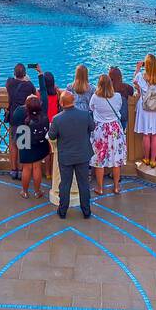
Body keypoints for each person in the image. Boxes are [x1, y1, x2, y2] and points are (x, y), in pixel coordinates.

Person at [48, 90, 95, 219]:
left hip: (66, 157)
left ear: (61, 103)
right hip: (82, 155)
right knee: (83, 184)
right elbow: (92, 127)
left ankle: (62, 211)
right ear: (73, 101)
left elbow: (51, 135)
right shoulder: (85, 115)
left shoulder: (57, 119)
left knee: (65, 184)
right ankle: (86, 211)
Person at [89, 72, 127, 195]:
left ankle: (100, 188)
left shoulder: (95, 97)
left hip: (100, 130)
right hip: (115, 129)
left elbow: (91, 108)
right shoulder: (117, 96)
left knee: (99, 160)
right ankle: (116, 187)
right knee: (116, 160)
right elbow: (119, 108)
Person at [12, 94, 50, 200]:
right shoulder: (43, 115)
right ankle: (37, 192)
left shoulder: (21, 114)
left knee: (26, 168)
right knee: (37, 167)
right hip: (39, 144)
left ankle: (24, 192)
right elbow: (44, 94)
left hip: (25, 143)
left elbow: (14, 120)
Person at [133, 54, 156, 167]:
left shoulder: (140, 76)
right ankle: (153, 160)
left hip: (145, 108)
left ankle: (146, 158)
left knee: (146, 135)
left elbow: (134, 83)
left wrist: (138, 68)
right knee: (155, 135)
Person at [5, 63, 37, 181]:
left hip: (13, 116)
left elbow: (11, 80)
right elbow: (36, 95)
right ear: (24, 74)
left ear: (14, 73)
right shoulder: (29, 85)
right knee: (23, 145)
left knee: (14, 144)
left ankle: (14, 170)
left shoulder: (9, 82)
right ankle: (23, 170)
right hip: (25, 117)